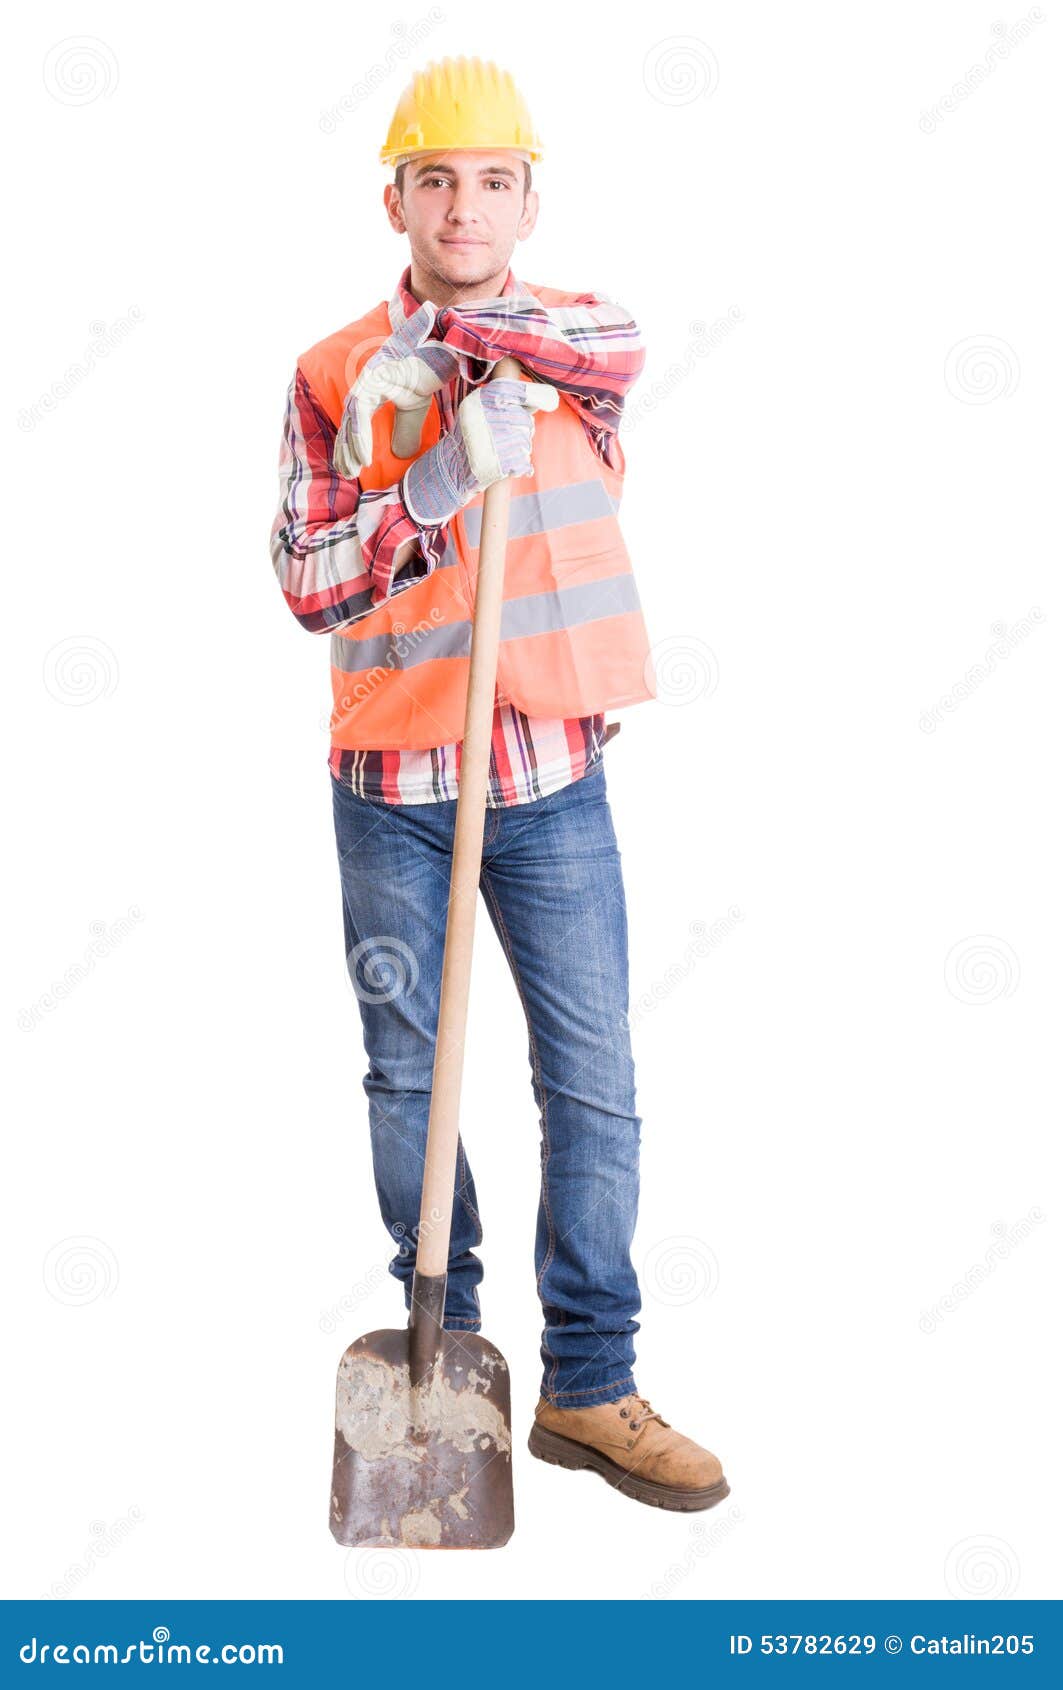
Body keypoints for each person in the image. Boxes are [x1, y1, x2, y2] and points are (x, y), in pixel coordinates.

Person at [270, 55, 729, 1512]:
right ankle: (444, 1346)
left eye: (492, 178)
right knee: (410, 1073)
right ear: (393, 198)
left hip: (550, 781)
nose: (463, 205)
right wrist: (424, 483)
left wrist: (481, 359)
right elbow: (303, 579)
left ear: (528, 196)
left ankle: (591, 1385)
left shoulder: (573, 341)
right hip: (391, 782)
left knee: (592, 1079)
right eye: (435, 178)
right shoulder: (336, 371)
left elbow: (616, 337)